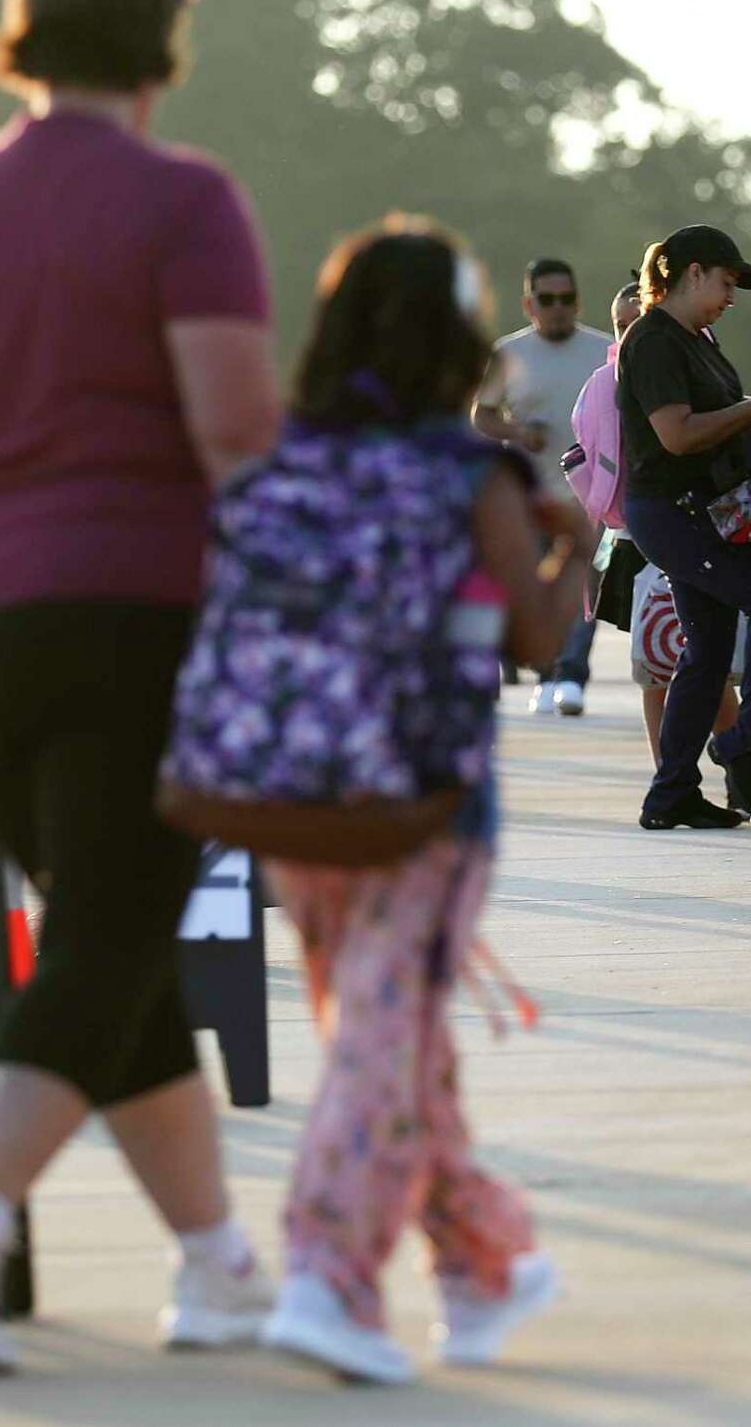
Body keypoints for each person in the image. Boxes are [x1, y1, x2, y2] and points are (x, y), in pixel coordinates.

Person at [0, 0, 280, 1374]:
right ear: (167, 34)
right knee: (108, 927)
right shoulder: (183, 203)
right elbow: (231, 428)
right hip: (134, 608)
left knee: (113, 927)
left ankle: (221, 1267)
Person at [255, 220, 587, 1385]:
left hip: (295, 798)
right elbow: (539, 642)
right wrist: (576, 545)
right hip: (426, 809)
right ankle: (326, 1272)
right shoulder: (468, 475)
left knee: (390, 1036)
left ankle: (483, 1262)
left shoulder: (281, 461)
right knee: (383, 1035)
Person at [616, 225, 751, 829]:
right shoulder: (653, 341)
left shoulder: (695, 337)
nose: (732, 295)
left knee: (708, 651)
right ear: (691, 273)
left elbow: (717, 420)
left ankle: (671, 793)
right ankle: (744, 743)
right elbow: (677, 434)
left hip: (701, 511)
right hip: (674, 514)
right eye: (726, 282)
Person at [474, 259, 613, 717]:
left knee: (585, 587)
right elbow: (484, 414)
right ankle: (548, 673)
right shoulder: (509, 353)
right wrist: (517, 433)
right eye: (547, 300)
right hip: (530, 494)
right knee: (533, 589)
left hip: (591, 495)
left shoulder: (605, 350)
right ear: (528, 303)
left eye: (566, 299)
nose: (558, 309)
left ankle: (571, 675)